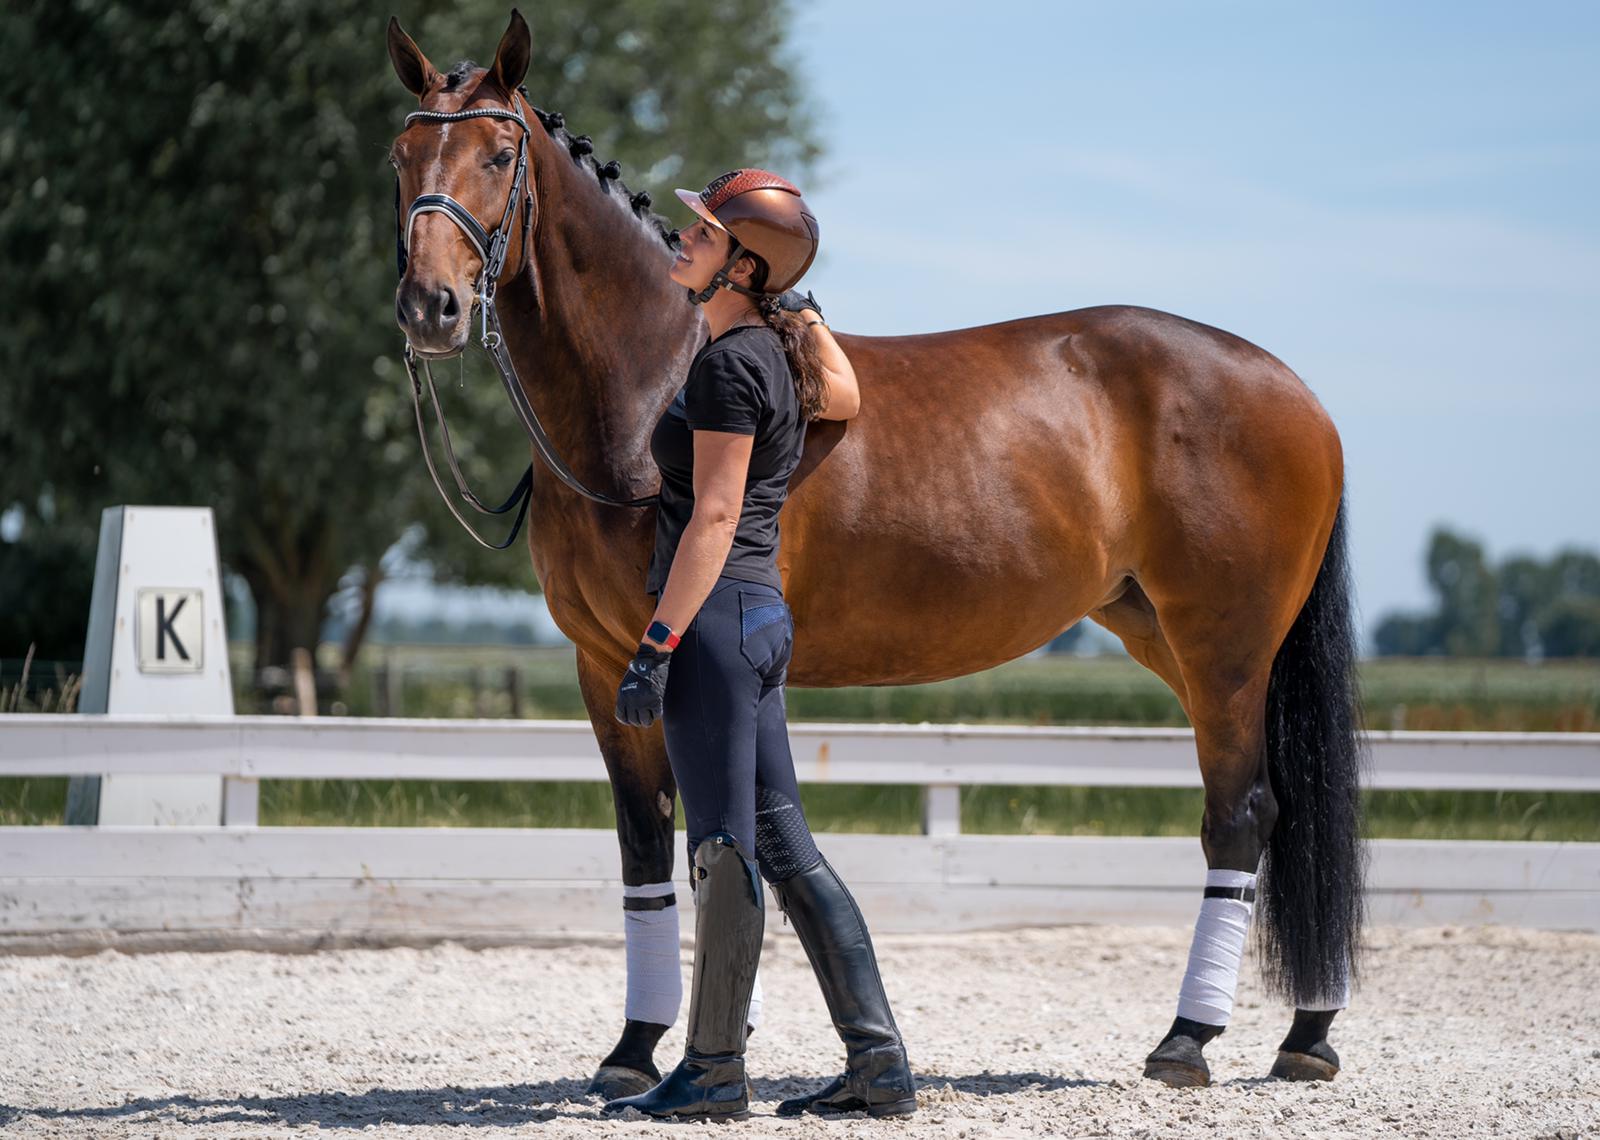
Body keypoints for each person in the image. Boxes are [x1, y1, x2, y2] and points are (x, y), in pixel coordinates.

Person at [602, 170, 916, 1123]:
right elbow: (849, 398)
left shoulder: (728, 367)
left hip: (714, 623)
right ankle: (879, 1063)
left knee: (725, 850)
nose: (681, 240)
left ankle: (713, 1070)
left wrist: (655, 643)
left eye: (702, 233)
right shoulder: (779, 357)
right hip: (758, 619)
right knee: (783, 842)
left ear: (744, 263)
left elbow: (716, 514)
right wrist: (803, 310)